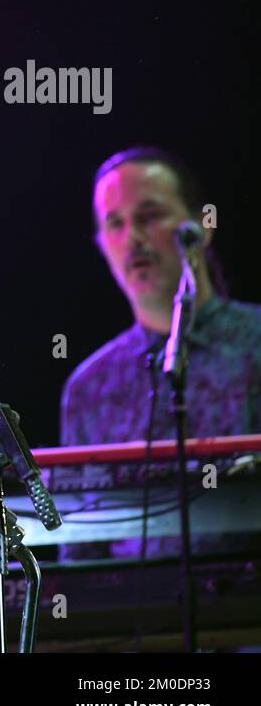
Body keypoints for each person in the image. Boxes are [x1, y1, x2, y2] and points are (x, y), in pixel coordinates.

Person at [60, 145, 261, 561]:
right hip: (139, 622)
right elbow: (80, 552)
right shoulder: (89, 388)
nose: (132, 236)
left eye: (149, 216)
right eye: (115, 223)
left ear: (201, 226)